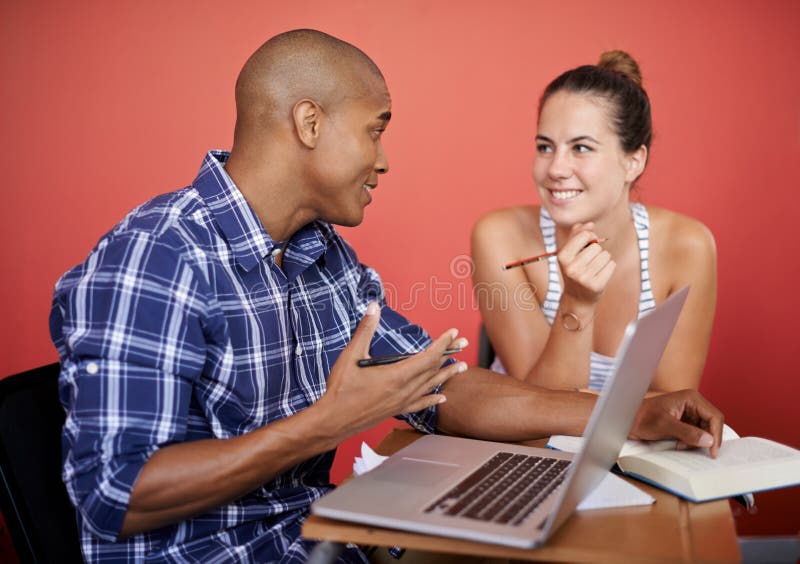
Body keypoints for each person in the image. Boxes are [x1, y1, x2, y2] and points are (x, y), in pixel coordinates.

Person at [50, 32, 723, 563]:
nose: (385, 159)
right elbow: (116, 494)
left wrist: (628, 410)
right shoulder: (159, 256)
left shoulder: (322, 255)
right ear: (310, 123)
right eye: (376, 129)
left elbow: (443, 388)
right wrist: (325, 424)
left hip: (322, 541)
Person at [472, 51, 717, 394]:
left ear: (633, 161)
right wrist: (578, 301)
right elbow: (537, 409)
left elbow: (670, 407)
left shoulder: (688, 246)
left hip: (632, 450)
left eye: (581, 148)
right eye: (545, 147)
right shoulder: (499, 236)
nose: (555, 169)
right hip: (529, 445)